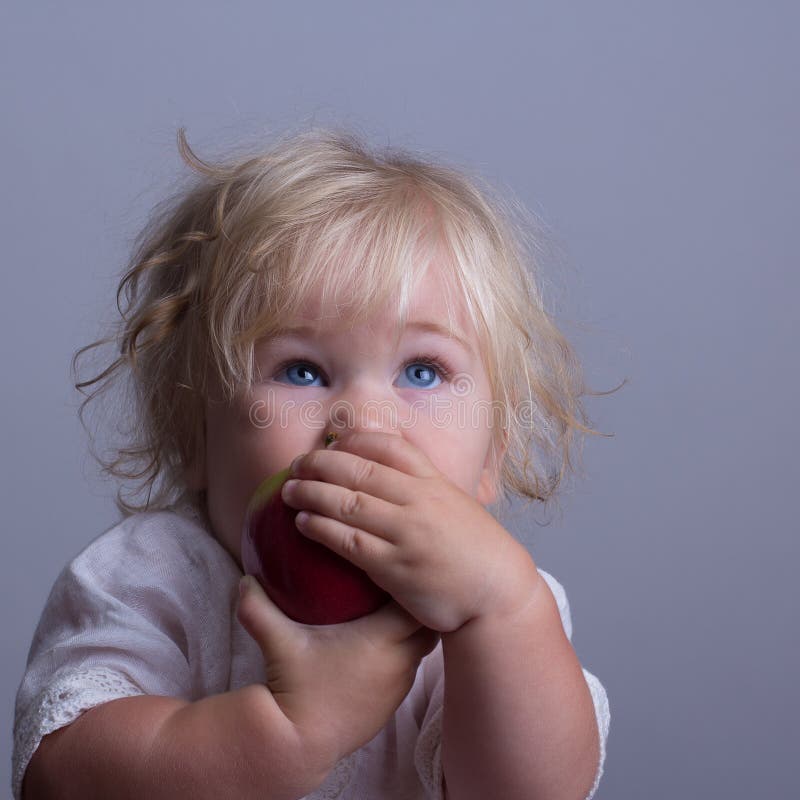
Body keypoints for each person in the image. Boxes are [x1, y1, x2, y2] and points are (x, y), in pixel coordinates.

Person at [13, 127, 613, 799]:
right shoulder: (153, 579)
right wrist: (291, 728)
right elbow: (61, 780)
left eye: (422, 370)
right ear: (192, 437)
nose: (362, 418)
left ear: (491, 456)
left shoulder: (490, 605)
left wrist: (503, 610)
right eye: (300, 371)